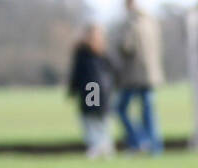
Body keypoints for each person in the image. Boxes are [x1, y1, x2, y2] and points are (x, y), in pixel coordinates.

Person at [113, 0, 165, 154]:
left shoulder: (130, 22)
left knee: (120, 109)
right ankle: (155, 147)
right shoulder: (151, 21)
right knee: (149, 112)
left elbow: (126, 47)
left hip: (134, 75)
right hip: (151, 74)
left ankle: (140, 140)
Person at [67, 25, 117, 158]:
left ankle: (98, 146)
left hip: (91, 89)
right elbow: (115, 70)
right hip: (100, 89)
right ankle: (104, 145)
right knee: (101, 118)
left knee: (92, 118)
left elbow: (76, 74)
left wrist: (71, 90)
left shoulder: (82, 53)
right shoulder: (103, 51)